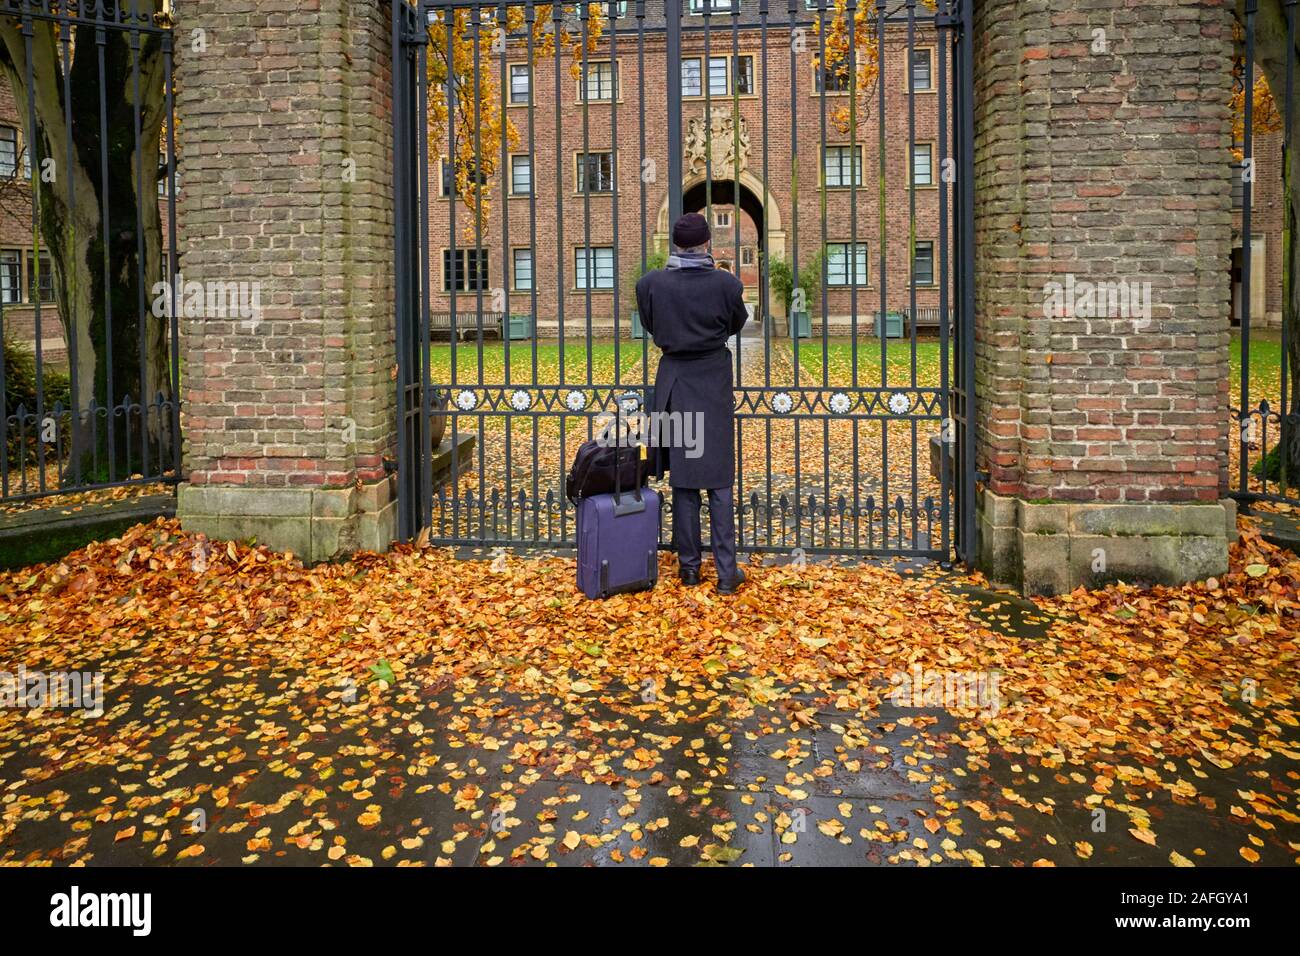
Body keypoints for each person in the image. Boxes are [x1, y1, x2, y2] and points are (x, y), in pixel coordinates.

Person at [635, 212, 749, 593]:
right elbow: (735, 324)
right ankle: (727, 574)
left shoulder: (651, 284)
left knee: (684, 480)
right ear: (707, 244)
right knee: (717, 480)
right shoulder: (727, 285)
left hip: (675, 384)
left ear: (675, 244)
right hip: (713, 383)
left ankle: (688, 568)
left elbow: (652, 324)